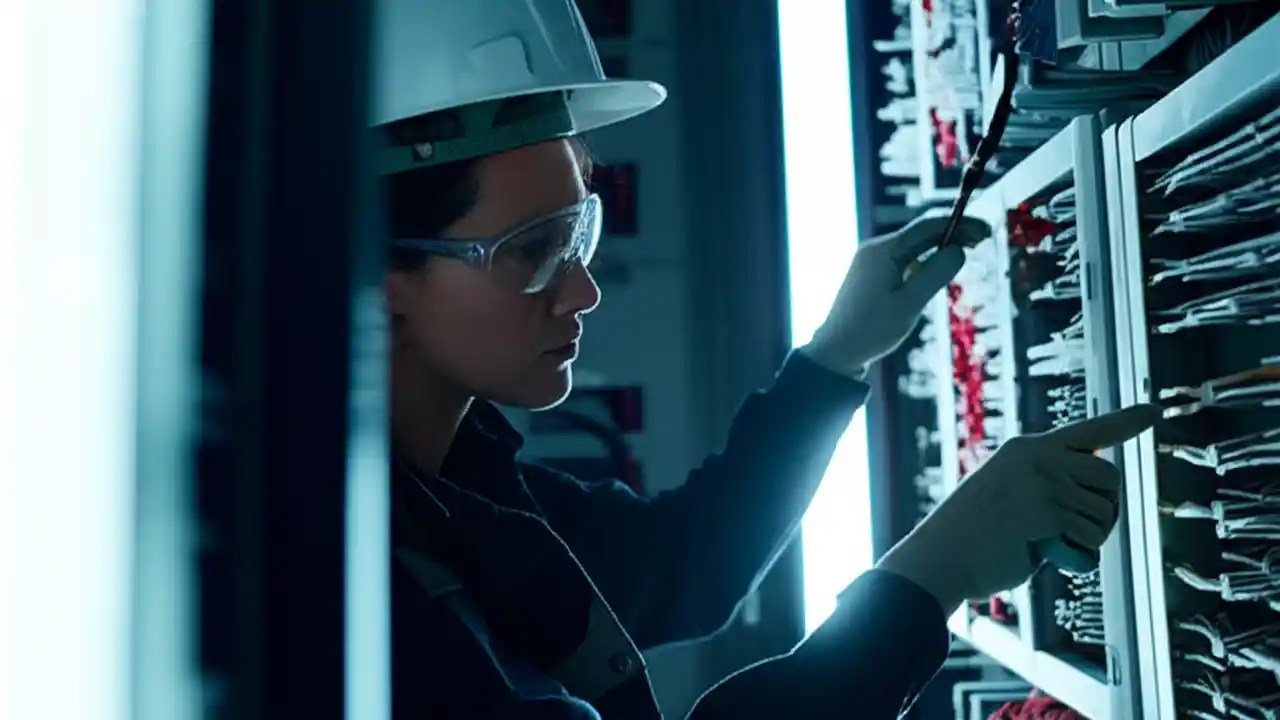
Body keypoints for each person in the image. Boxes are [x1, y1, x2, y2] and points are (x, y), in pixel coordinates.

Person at [374, 2, 1162, 718]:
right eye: (531, 252)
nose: (582, 291)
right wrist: (936, 572)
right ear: (379, 276)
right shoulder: (371, 604)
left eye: (578, 233)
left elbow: (688, 564)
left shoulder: (462, 486)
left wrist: (834, 357)